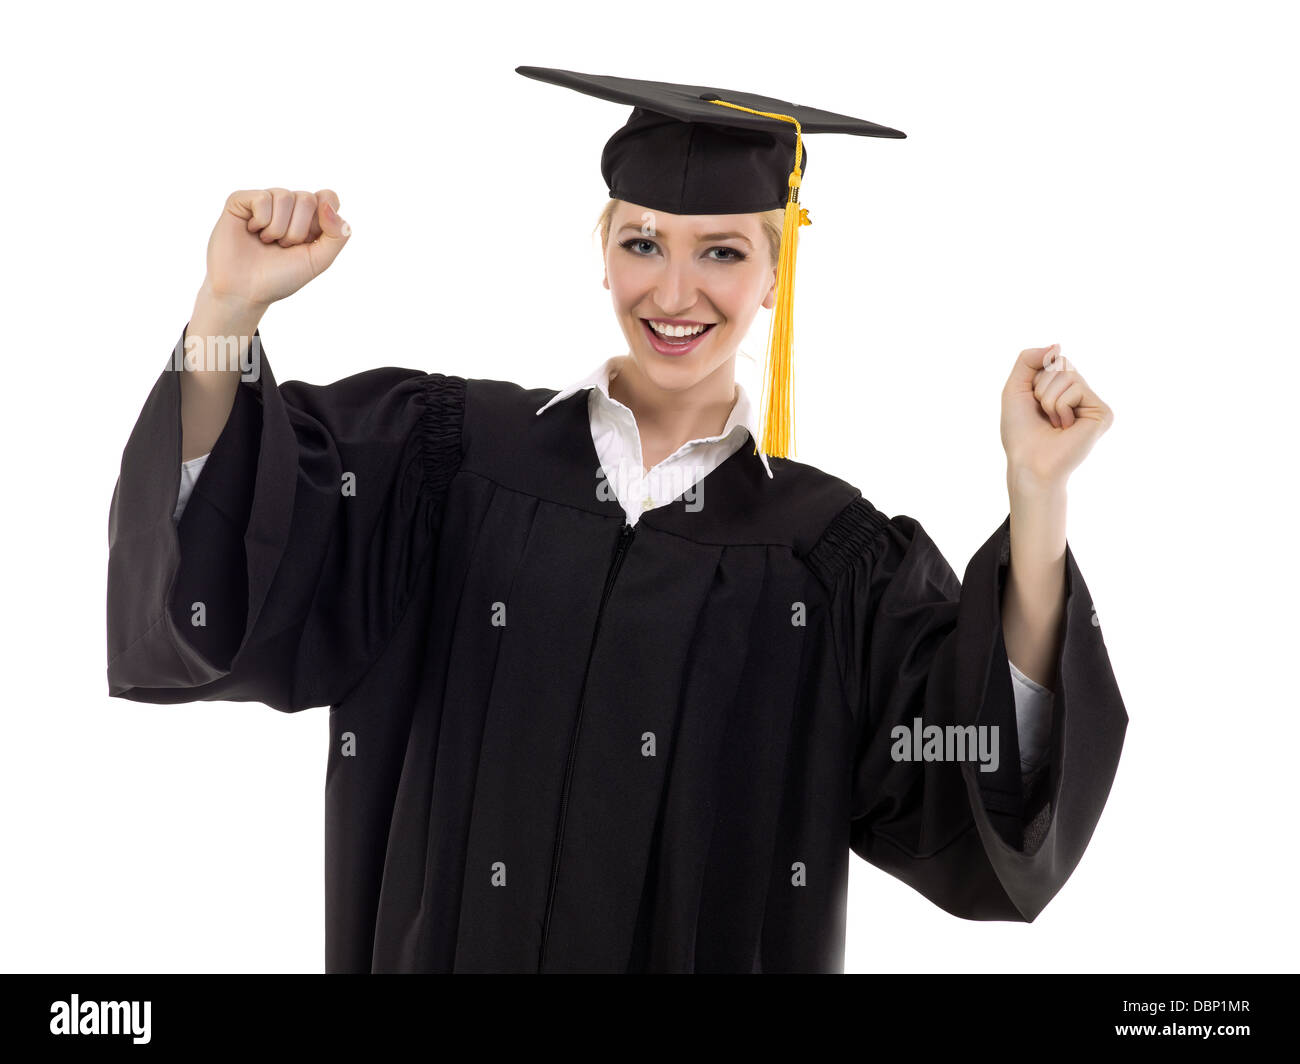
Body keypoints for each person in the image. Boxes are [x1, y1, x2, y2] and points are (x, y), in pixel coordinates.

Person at [106, 67, 1128, 973]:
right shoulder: (446, 461)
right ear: (602, 252)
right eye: (643, 241)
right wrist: (227, 311)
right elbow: (238, 560)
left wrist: (1036, 498)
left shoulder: (831, 558)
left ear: (776, 274)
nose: (674, 290)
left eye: (721, 252)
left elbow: (973, 778)